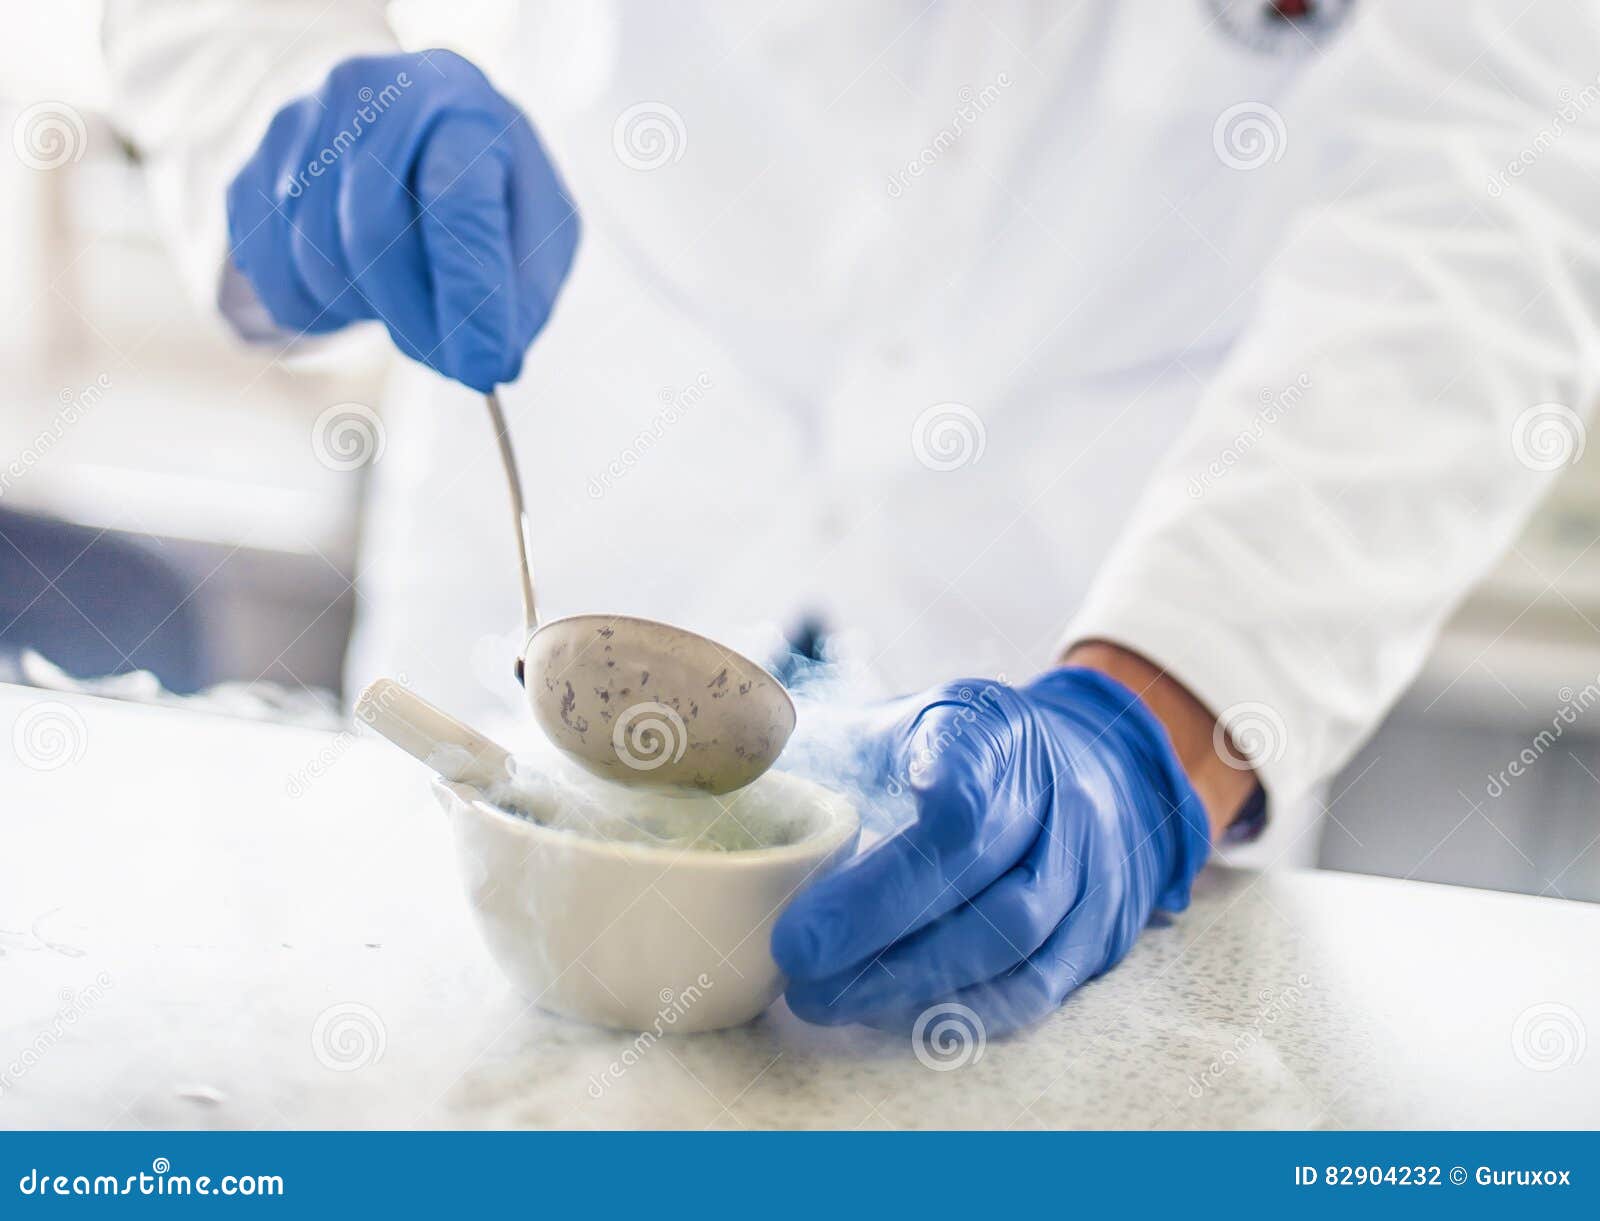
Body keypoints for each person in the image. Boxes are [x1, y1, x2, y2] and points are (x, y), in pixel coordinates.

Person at [104, 0, 1600, 1034]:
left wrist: (1169, 715)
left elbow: (1492, 187)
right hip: (586, 459)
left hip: (1099, 607)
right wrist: (282, 115)